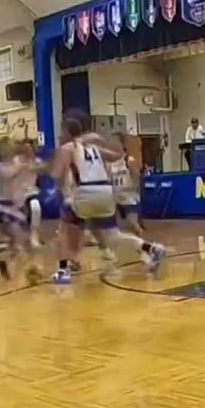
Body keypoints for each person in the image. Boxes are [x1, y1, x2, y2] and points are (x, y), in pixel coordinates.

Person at [50, 114, 165, 284]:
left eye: (62, 132)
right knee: (112, 235)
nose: (60, 135)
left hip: (85, 192)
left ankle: (63, 271)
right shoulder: (95, 148)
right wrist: (102, 138)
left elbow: (58, 174)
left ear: (67, 132)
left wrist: (63, 190)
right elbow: (117, 155)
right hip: (105, 192)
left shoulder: (69, 147)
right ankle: (151, 247)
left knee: (64, 231)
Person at [0, 137, 44, 281]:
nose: (15, 147)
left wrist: (29, 156)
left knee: (13, 243)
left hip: (14, 207)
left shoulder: (17, 161)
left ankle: (3, 261)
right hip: (2, 208)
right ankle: (32, 270)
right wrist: (24, 164)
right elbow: (10, 173)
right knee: (23, 240)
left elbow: (32, 165)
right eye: (12, 145)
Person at [110, 134, 145, 236]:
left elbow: (136, 178)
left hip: (129, 197)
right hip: (116, 197)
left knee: (133, 224)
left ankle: (147, 246)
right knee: (114, 228)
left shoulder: (129, 160)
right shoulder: (111, 163)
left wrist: (135, 193)